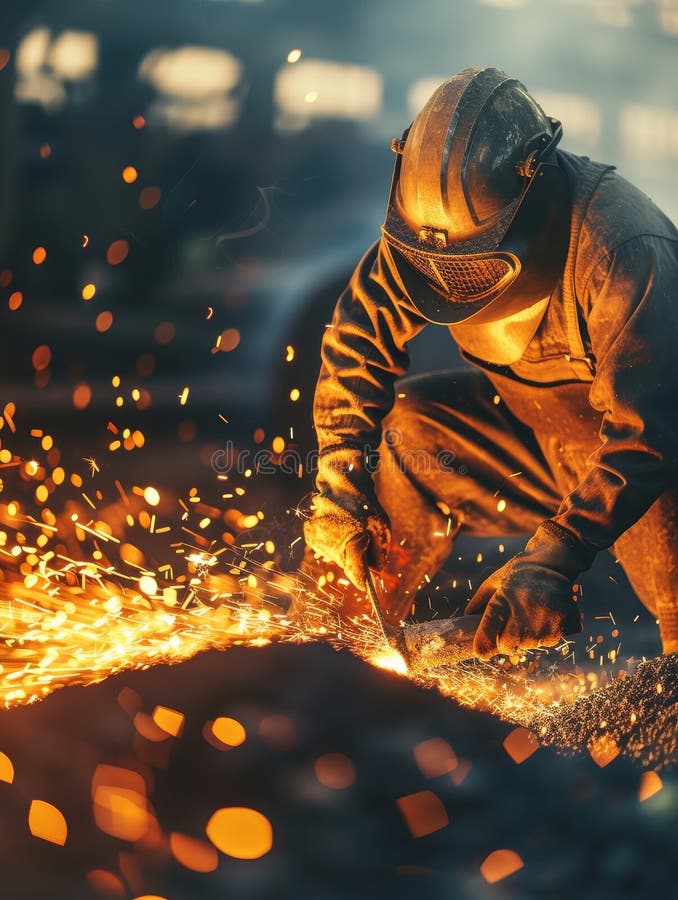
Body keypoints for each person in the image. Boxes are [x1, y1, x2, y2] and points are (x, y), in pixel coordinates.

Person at [302, 66, 678, 658]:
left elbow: (648, 435)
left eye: (472, 268)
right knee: (413, 434)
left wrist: (553, 558)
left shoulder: (623, 252)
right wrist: (339, 483)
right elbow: (358, 340)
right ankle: (337, 648)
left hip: (651, 461)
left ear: (536, 197)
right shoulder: (427, 238)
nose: (449, 282)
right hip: (539, 439)